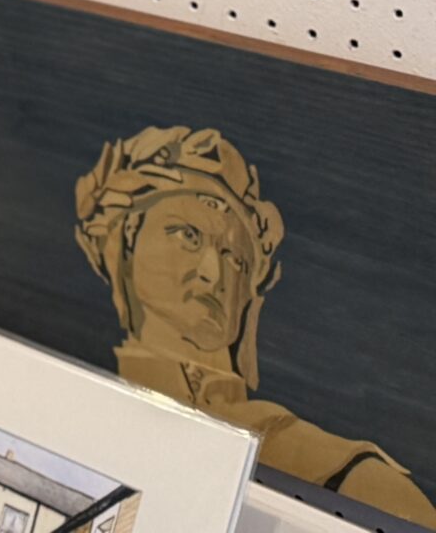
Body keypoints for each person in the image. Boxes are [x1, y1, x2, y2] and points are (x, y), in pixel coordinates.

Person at [76, 127, 434, 525]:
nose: (213, 273)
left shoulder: (346, 476)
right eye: (189, 235)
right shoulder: (69, 404)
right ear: (128, 237)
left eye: (233, 256)